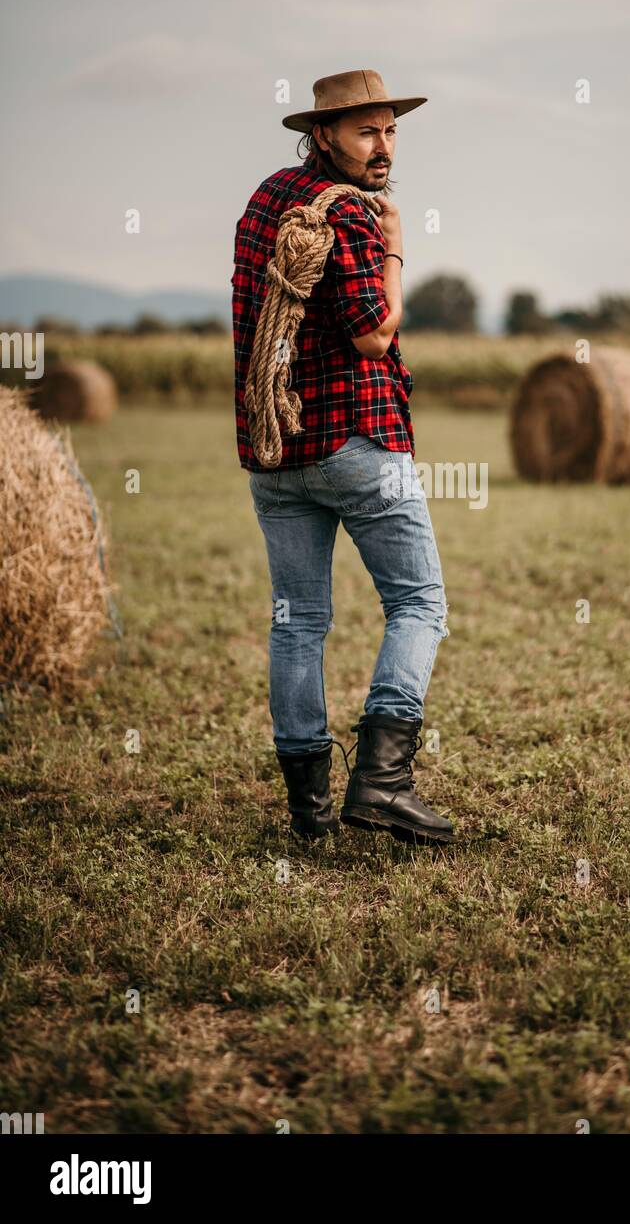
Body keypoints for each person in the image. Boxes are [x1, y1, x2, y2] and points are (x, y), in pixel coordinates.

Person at [232, 69, 453, 846]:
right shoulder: (353, 217)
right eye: (366, 131)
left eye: (391, 130)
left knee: (297, 624)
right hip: (358, 441)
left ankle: (309, 812)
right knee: (419, 604)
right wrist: (396, 249)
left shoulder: (267, 199)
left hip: (276, 450)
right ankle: (383, 783)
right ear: (322, 134)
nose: (383, 146)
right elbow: (373, 333)